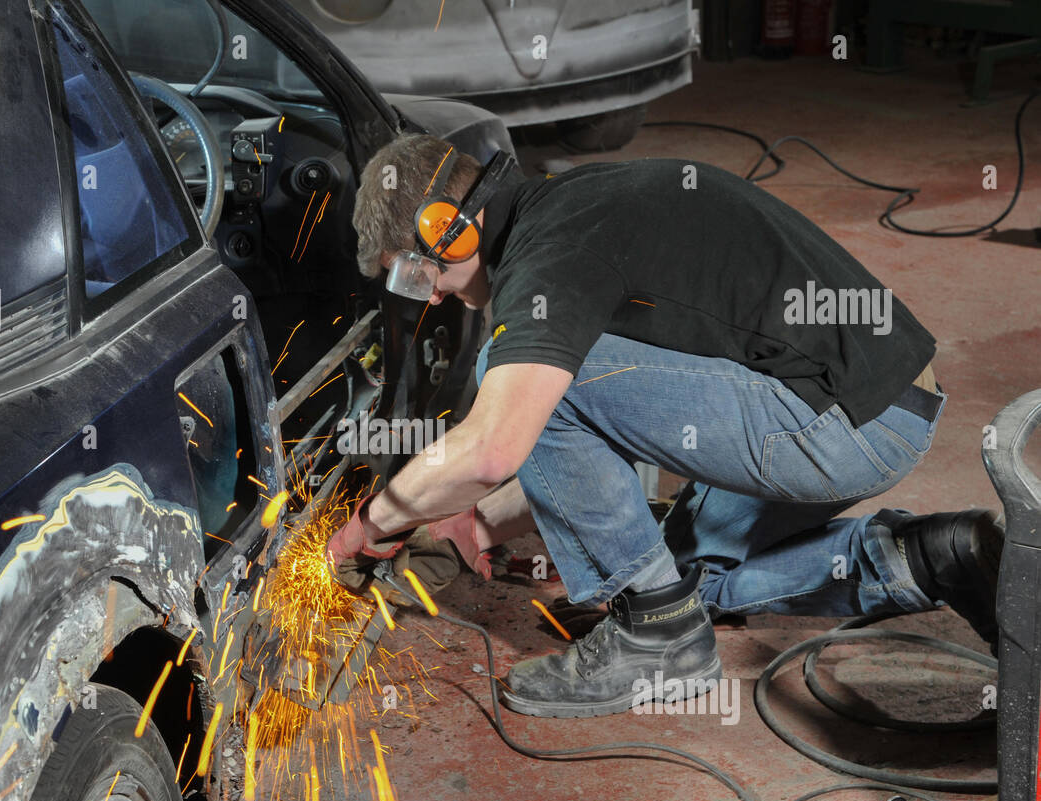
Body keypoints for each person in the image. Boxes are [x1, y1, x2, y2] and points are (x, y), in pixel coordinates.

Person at [326, 133, 1002, 718]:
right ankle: (931, 557)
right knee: (677, 573)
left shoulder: (547, 262)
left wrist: (369, 525)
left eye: (418, 275)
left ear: (450, 226)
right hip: (878, 405)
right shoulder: (569, 206)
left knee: (520, 379)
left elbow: (499, 443)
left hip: (839, 424)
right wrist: (475, 525)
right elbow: (584, 427)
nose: (432, 295)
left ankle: (656, 639)